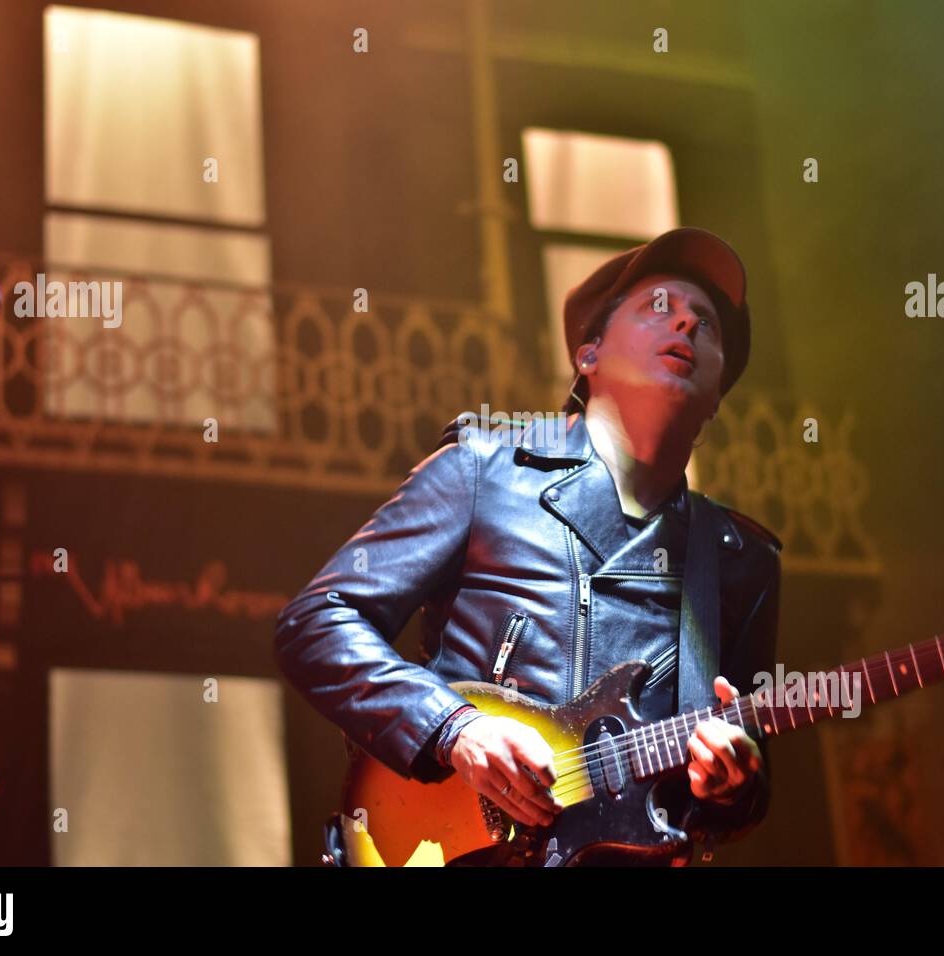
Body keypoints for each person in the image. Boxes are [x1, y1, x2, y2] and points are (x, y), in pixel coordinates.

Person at [275, 226, 782, 865]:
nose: (684, 324)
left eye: (705, 324)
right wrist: (454, 728)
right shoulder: (483, 469)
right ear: (589, 355)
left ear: (715, 401)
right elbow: (316, 623)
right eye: (660, 307)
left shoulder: (742, 563)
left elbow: (741, 791)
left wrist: (734, 787)